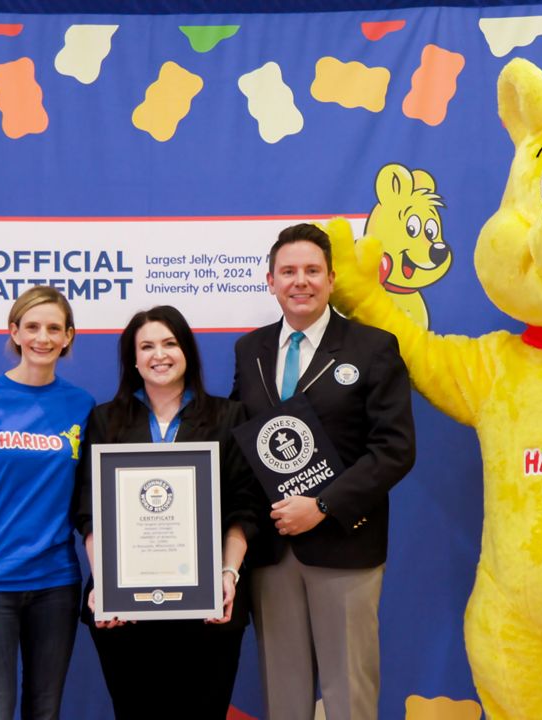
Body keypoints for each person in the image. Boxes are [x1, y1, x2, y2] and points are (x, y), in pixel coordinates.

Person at [230, 223, 416, 720]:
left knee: (348, 691)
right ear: (269, 280)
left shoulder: (372, 348)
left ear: (332, 279)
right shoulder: (249, 351)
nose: (301, 281)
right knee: (283, 691)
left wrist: (323, 506)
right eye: (288, 271)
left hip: (344, 544)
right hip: (273, 547)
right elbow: (239, 439)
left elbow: (394, 449)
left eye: (312, 270)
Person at [75, 305, 263, 719]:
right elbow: (89, 510)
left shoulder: (228, 417)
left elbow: (245, 506)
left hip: (209, 605)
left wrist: (227, 574)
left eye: (169, 343)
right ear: (133, 358)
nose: (159, 355)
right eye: (146, 346)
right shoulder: (106, 420)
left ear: (187, 351)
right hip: (125, 611)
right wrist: (107, 584)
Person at [0, 285, 95, 720]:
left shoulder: (82, 407)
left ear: (68, 337)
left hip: (56, 585)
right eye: (32, 327)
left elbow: (92, 501)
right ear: (14, 332)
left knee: (44, 711)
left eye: (53, 328)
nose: (42, 337)